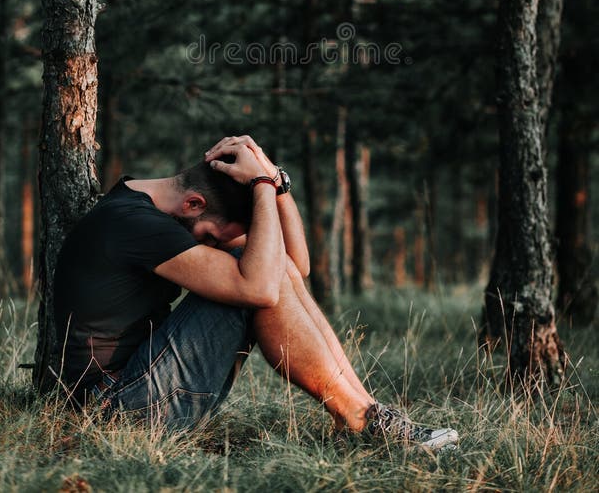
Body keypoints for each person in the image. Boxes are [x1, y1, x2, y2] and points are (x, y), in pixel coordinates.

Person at [53, 134, 458, 450]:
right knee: (256, 277)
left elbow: (293, 268)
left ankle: (364, 415)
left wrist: (276, 183)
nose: (212, 245)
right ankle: (363, 420)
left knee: (265, 266)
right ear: (194, 204)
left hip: (142, 391)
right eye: (213, 238)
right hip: (115, 410)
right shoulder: (133, 224)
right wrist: (261, 184)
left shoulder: (160, 211)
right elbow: (264, 288)